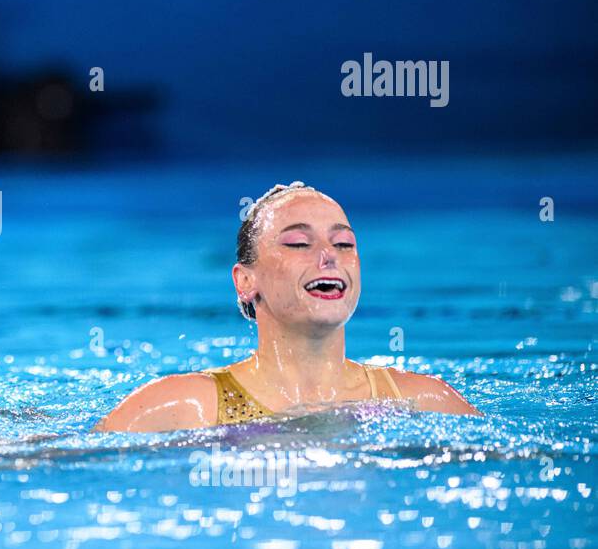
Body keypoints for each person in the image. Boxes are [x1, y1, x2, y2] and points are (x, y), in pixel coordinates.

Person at [98, 182, 479, 431]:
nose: (329, 256)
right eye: (299, 244)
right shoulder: (188, 405)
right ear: (245, 281)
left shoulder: (422, 400)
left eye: (344, 244)